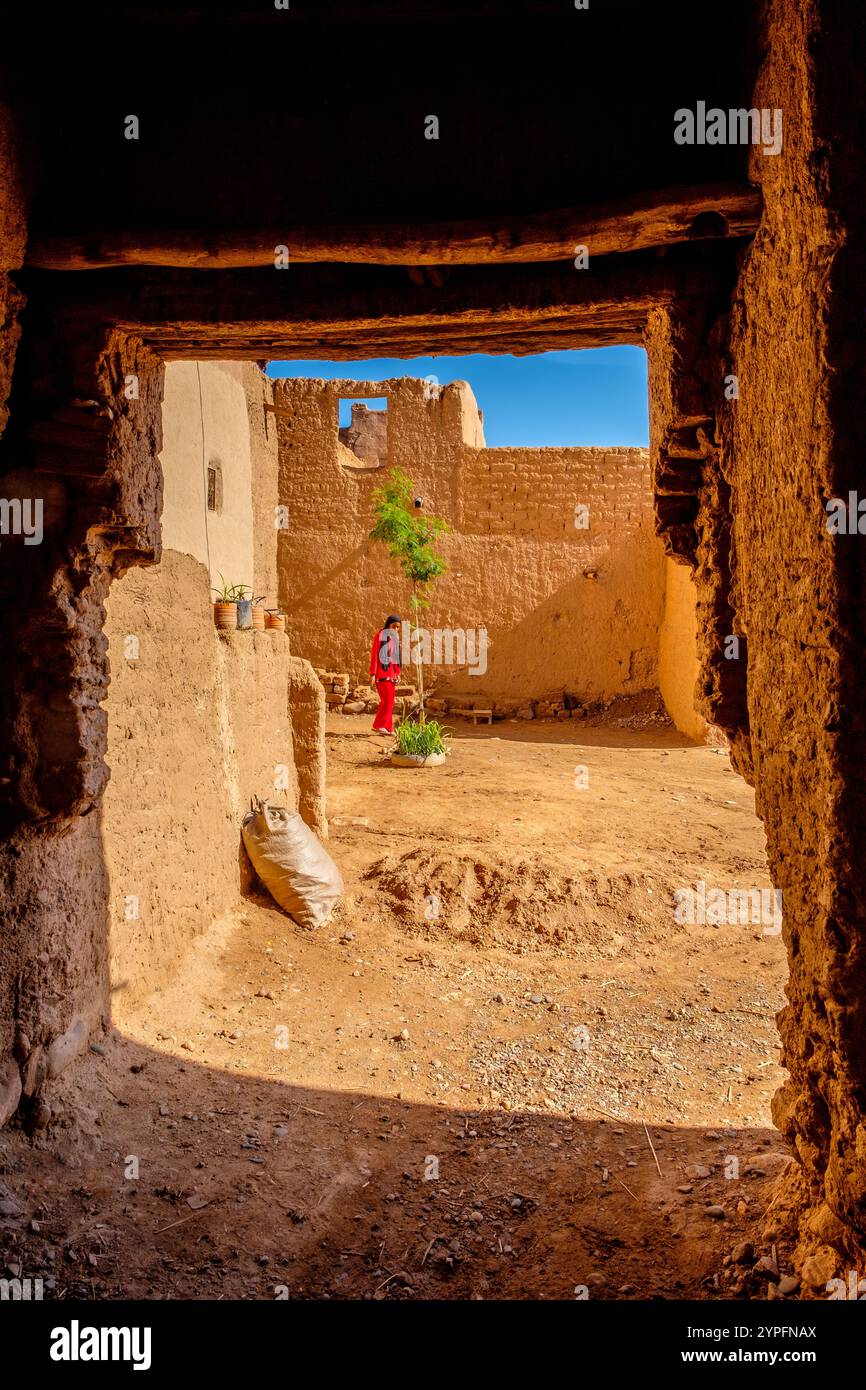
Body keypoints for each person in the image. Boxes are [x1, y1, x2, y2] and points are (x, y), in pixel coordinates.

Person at [370, 614, 401, 735]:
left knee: (389, 701)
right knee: (387, 701)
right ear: (388, 624)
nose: (396, 629)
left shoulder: (394, 639)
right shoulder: (380, 636)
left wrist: (397, 673)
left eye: (398, 627)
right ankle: (379, 725)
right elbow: (374, 656)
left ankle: (387, 727)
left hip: (391, 675)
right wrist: (373, 673)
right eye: (394, 626)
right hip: (381, 674)